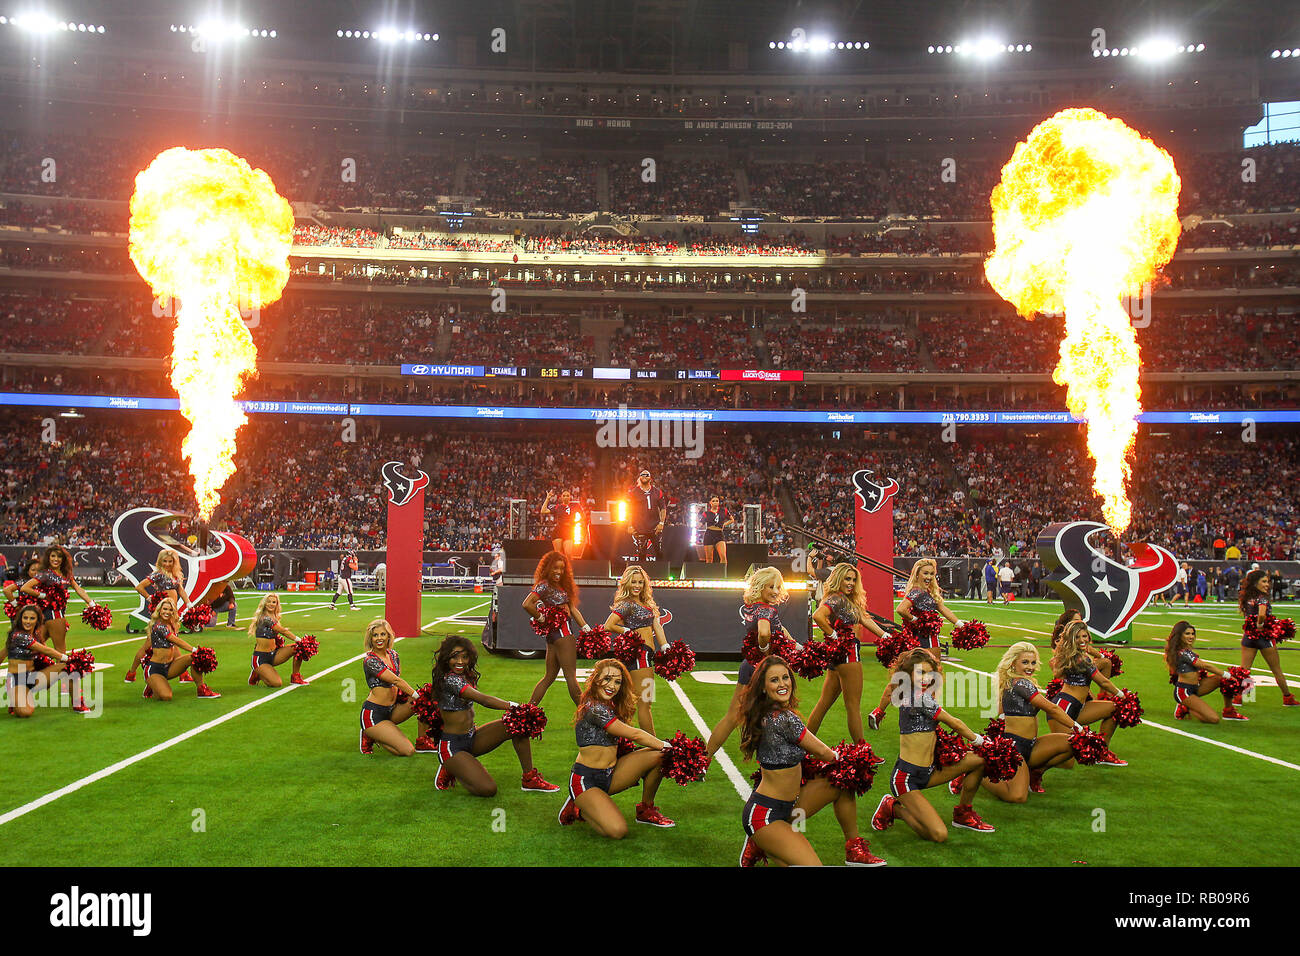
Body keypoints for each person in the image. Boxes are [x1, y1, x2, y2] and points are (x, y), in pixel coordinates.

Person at [739, 655, 886, 867]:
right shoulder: (784, 719)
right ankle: (760, 842)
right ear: (763, 687)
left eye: (785, 677)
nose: (782, 684)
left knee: (841, 783)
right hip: (765, 816)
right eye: (774, 680)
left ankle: (854, 849)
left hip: (791, 807)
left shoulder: (766, 712)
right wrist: (854, 760)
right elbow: (825, 753)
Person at [870, 647, 995, 841]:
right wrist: (979, 740)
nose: (926, 678)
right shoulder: (918, 697)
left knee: (980, 759)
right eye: (921, 673)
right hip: (906, 778)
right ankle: (893, 808)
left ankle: (963, 813)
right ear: (909, 674)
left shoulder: (919, 693)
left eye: (930, 673)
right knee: (938, 834)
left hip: (929, 772)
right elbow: (954, 722)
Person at [556, 658, 676, 835]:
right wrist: (669, 745)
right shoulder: (595, 708)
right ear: (596, 679)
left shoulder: (610, 704)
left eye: (617, 681)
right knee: (618, 831)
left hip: (611, 775)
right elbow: (635, 734)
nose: (612, 685)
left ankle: (646, 810)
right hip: (586, 780)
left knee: (660, 755)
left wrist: (665, 750)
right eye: (607, 679)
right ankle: (579, 807)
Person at [431, 636, 559, 794]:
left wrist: (518, 712)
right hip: (452, 747)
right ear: (446, 658)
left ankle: (529, 779)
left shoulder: (465, 675)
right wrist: (513, 705)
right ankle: (451, 766)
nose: (460, 661)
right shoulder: (449, 680)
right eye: (455, 656)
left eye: (464, 657)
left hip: (472, 738)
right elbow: (484, 700)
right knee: (488, 789)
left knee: (518, 722)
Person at [706, 566, 799, 755]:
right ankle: (784, 761)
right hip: (764, 670)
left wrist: (797, 646)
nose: (775, 591)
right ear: (760, 587)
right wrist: (766, 653)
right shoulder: (766, 610)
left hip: (748, 665)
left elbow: (779, 628)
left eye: (778, 587)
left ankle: (703, 762)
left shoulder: (754, 606)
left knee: (733, 716)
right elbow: (764, 633)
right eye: (770, 586)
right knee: (782, 715)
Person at [979, 642, 1080, 801]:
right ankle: (976, 774)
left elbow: (1001, 713)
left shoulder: (1012, 683)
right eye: (1025, 662)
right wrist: (1077, 728)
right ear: (1013, 663)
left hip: (1030, 745)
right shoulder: (1020, 683)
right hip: (1016, 747)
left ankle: (1035, 772)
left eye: (1033, 662)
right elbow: (1052, 709)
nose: (1030, 667)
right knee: (1017, 797)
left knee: (1075, 743)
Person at [807, 562, 888, 744]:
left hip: (838, 656)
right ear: (838, 579)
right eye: (847, 578)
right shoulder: (836, 598)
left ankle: (803, 745)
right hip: (848, 653)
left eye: (853, 579)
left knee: (824, 704)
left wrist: (885, 636)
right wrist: (833, 634)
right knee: (853, 706)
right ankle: (862, 750)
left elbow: (864, 619)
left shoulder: (844, 599)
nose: (851, 582)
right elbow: (818, 615)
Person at [1044, 621, 1128, 766]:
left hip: (1078, 707)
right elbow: (1103, 682)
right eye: (1077, 637)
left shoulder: (1076, 656)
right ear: (1071, 640)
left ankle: (1102, 752)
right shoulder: (1081, 659)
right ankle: (1036, 771)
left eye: (1084, 636)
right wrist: (1123, 696)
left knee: (1115, 708)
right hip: (1063, 709)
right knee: (1066, 760)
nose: (1082, 640)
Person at [602, 565, 671, 734]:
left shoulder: (647, 603)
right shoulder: (627, 604)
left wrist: (665, 646)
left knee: (633, 703)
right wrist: (627, 631)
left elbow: (657, 627)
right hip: (641, 657)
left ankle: (620, 739)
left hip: (646, 656)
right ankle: (653, 747)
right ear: (627, 583)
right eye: (633, 582)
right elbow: (608, 625)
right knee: (645, 703)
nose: (637, 586)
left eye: (640, 582)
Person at [523, 551, 591, 708]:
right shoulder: (544, 585)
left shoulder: (560, 586)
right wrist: (540, 617)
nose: (559, 572)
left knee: (549, 677)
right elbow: (527, 604)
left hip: (552, 637)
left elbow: (572, 609)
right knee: (570, 677)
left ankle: (528, 710)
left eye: (562, 568)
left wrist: (586, 628)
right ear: (547, 568)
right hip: (563, 635)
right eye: (555, 568)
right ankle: (586, 713)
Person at [124, 549, 192, 683]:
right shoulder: (158, 575)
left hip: (173, 613)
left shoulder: (176, 576)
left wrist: (189, 605)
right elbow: (140, 587)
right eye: (164, 561)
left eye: (170, 561)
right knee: (147, 646)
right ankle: (131, 672)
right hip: (163, 614)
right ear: (160, 562)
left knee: (174, 642)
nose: (167, 564)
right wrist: (150, 598)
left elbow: (181, 591)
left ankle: (183, 674)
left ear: (174, 562)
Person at [1237, 569, 1298, 708]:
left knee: (1245, 670)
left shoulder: (1247, 597)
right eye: (1264, 581)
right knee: (1276, 669)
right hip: (1264, 637)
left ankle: (1242, 697)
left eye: (1267, 581)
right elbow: (1262, 614)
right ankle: (1287, 698)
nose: (1267, 584)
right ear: (1255, 583)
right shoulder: (1262, 597)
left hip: (1248, 636)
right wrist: (1261, 624)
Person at [359, 617, 419, 756]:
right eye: (375, 635)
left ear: (388, 636)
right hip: (374, 714)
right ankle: (371, 733)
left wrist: (420, 699)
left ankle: (424, 740)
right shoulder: (370, 660)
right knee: (407, 751)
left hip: (392, 710)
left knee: (424, 702)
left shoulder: (394, 655)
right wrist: (416, 695)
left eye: (382, 634)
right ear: (370, 638)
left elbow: (396, 684)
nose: (379, 638)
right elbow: (396, 681)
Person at [142, 597, 221, 701]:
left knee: (195, 658)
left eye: (170, 610)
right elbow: (176, 641)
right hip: (155, 669)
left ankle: (202, 690)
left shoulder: (172, 625)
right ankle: (152, 684)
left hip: (170, 667)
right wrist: (194, 649)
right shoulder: (158, 626)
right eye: (165, 609)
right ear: (159, 610)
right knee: (166, 696)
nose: (167, 612)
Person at [4, 604, 71, 718]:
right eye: (25, 618)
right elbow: (45, 650)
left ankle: (78, 703)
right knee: (25, 713)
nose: (28, 621)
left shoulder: (36, 634)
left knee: (70, 666)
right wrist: (67, 657)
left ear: (38, 620)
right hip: (17, 679)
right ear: (20, 619)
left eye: (32, 618)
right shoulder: (18, 635)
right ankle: (17, 698)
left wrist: (70, 661)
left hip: (33, 677)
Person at [1165, 621, 1232, 723]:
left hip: (1196, 687)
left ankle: (1229, 710)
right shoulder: (1183, 652)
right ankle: (1186, 707)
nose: (1191, 636)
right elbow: (1205, 666)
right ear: (1179, 636)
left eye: (1192, 634)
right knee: (1214, 719)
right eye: (1187, 634)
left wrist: (1226, 677)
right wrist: (1227, 674)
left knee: (1222, 680)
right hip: (1184, 692)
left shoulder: (1185, 650)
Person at [247, 593, 310, 688]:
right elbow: (283, 631)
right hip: (261, 658)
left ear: (277, 604)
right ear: (264, 603)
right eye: (268, 602)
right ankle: (258, 673)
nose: (271, 604)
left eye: (274, 602)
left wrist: (300, 644)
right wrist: (300, 640)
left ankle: (295, 677)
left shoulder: (275, 618)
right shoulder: (264, 618)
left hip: (274, 655)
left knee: (299, 648)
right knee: (277, 683)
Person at [626, 469, 666, 562]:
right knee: (641, 553)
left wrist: (661, 523)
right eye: (642, 475)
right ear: (639, 477)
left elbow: (663, 508)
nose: (644, 476)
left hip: (654, 526)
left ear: (650, 478)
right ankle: (641, 575)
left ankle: (660, 574)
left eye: (646, 475)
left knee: (659, 551)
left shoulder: (657, 492)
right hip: (640, 526)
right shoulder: (633, 493)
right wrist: (629, 525)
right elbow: (629, 510)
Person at [541, 489, 583, 560]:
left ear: (570, 497)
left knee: (568, 554)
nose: (566, 497)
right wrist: (547, 499)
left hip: (569, 531)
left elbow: (583, 516)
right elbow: (543, 511)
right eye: (564, 495)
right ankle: (559, 570)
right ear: (561, 497)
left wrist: (575, 523)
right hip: (558, 531)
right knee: (558, 554)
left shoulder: (575, 505)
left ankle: (569, 569)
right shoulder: (558, 506)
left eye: (567, 495)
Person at [701, 495, 736, 565]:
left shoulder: (724, 511)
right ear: (710, 502)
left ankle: (722, 574)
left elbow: (732, 520)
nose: (715, 502)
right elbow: (701, 523)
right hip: (709, 534)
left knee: (723, 556)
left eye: (717, 501)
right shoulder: (706, 513)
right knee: (709, 558)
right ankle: (708, 575)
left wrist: (724, 524)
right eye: (713, 501)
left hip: (719, 534)